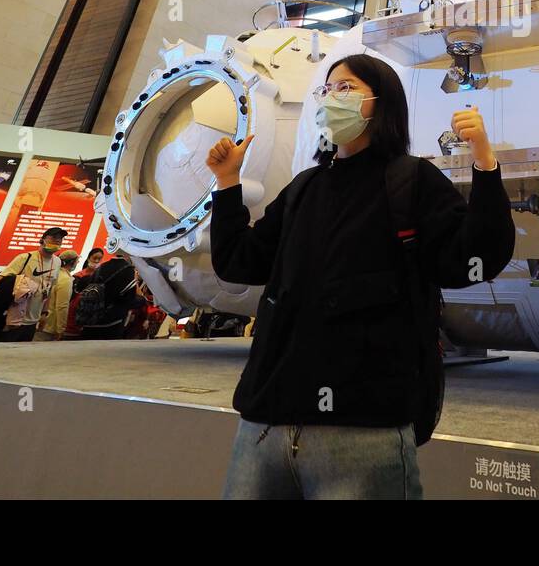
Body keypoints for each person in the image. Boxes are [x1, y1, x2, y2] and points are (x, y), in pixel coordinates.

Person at [208, 53, 514, 500]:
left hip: (363, 432)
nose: (332, 98)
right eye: (327, 90)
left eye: (346, 88)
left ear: (381, 102)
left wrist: (484, 164)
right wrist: (227, 184)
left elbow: (476, 259)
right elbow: (239, 262)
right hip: (265, 424)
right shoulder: (304, 188)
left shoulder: (412, 181)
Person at [0, 229, 64, 342]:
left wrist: (44, 313)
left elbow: (50, 289)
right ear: (42, 240)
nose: (57, 241)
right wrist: (22, 288)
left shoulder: (57, 262)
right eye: (53, 238)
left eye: (60, 240)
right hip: (12, 319)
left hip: (33, 321)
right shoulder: (25, 258)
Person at [36, 249, 78, 341]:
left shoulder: (51, 274)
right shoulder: (66, 279)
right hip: (50, 326)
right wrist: (61, 329)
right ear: (73, 262)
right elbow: (62, 306)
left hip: (39, 321)